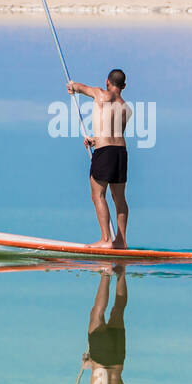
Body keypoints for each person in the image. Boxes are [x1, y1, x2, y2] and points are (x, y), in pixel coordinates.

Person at [67, 69, 131, 249]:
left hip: (106, 153)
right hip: (121, 152)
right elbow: (114, 133)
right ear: (124, 86)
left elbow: (80, 88)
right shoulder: (126, 108)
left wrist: (72, 86)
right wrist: (95, 140)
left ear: (107, 82)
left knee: (97, 194)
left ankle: (105, 240)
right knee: (119, 199)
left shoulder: (100, 93)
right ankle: (121, 241)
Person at [66, 267, 129, 384]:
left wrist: (93, 365)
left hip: (117, 358)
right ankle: (105, 273)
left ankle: (121, 273)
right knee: (97, 314)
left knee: (118, 311)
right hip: (100, 357)